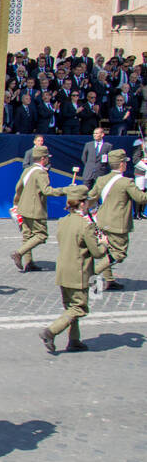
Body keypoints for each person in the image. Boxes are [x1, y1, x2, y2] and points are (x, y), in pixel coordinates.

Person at [40, 185, 108, 355]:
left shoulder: (63, 221)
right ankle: (51, 331)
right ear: (83, 204)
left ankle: (74, 340)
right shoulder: (86, 226)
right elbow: (97, 252)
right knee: (79, 308)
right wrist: (104, 243)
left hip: (63, 270)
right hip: (79, 272)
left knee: (70, 307)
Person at [92, 149, 147, 291]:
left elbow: (92, 197)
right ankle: (91, 273)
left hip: (103, 220)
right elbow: (141, 198)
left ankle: (109, 280)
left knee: (107, 250)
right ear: (122, 164)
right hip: (118, 223)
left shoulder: (101, 180)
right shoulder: (126, 182)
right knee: (119, 253)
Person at [9, 145, 68, 272]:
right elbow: (47, 190)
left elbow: (18, 187)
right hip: (35, 209)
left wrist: (16, 203)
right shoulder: (41, 172)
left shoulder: (27, 170)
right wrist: (65, 190)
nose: (47, 160)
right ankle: (19, 253)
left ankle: (29, 262)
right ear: (43, 158)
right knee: (41, 235)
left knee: (27, 235)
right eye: (47, 157)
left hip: (23, 207)